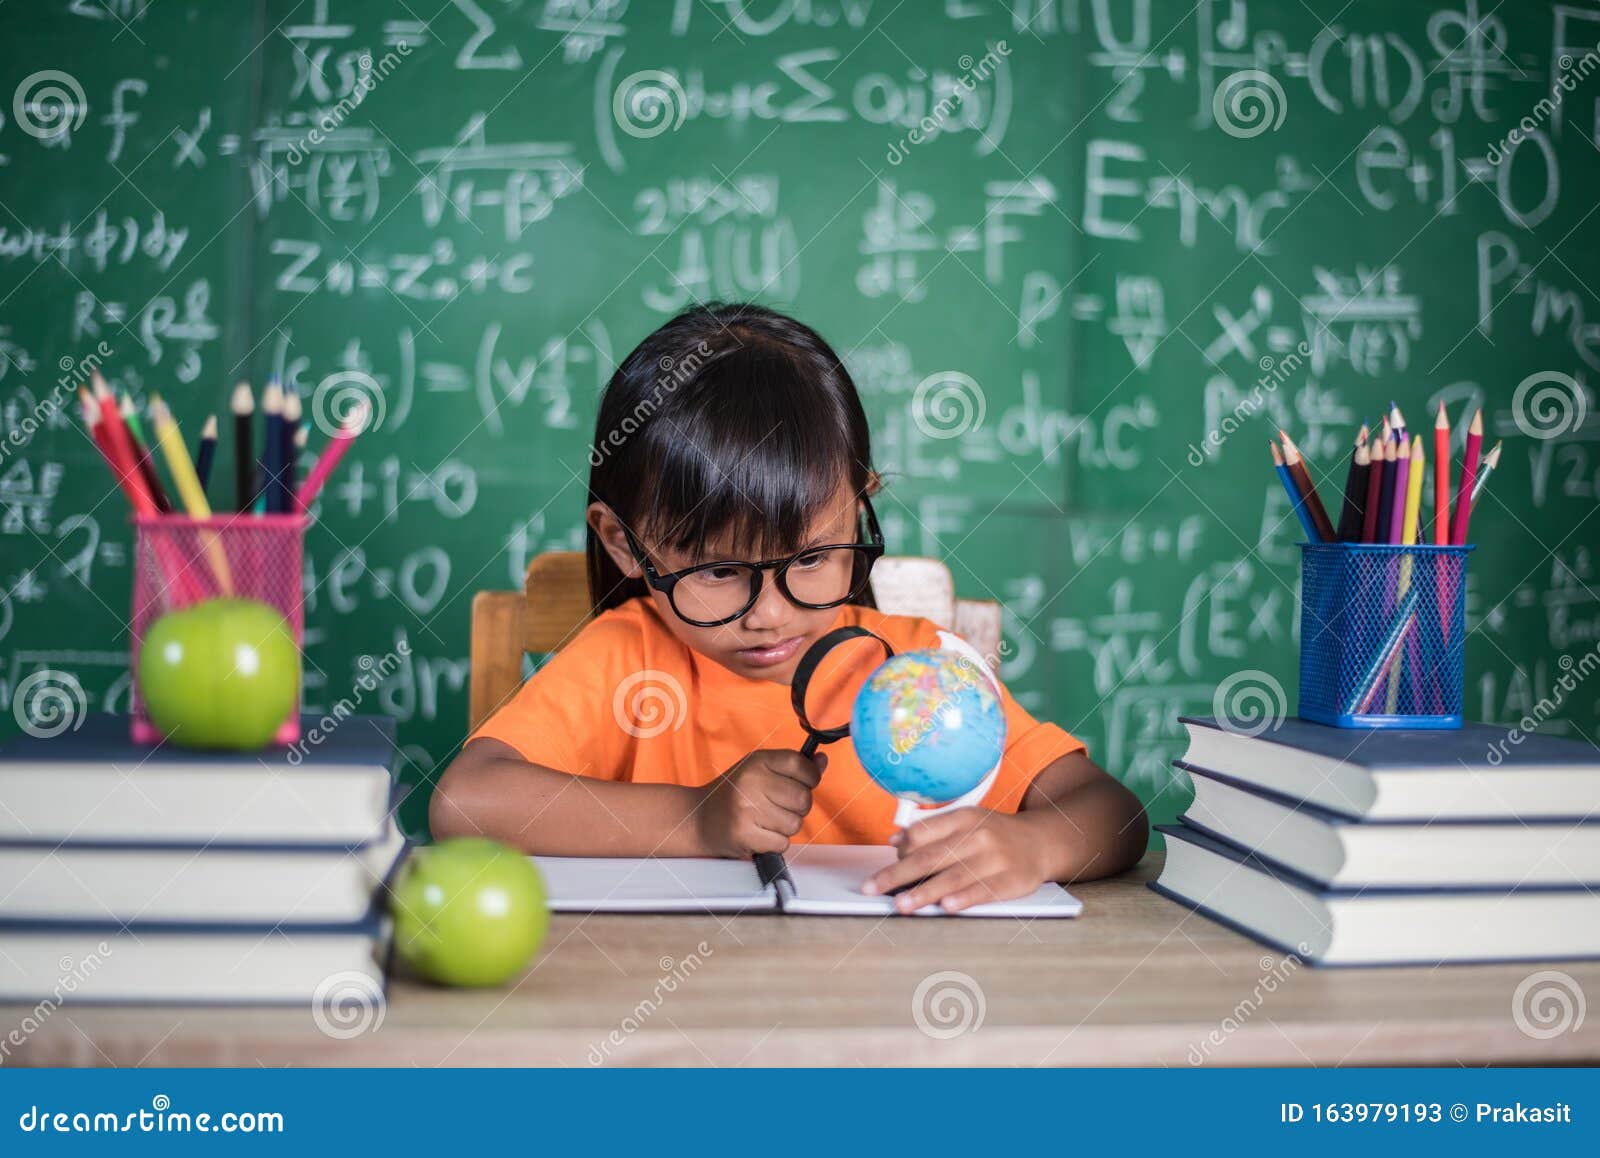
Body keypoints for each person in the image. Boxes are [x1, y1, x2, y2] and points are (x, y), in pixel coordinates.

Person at [432, 302, 1146, 912]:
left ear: (860, 509)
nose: (769, 615)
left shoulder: (920, 674)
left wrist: (1034, 844)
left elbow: (1113, 813)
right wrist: (699, 819)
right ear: (624, 544)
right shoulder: (627, 659)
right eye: (717, 570)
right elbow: (465, 802)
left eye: (809, 560)